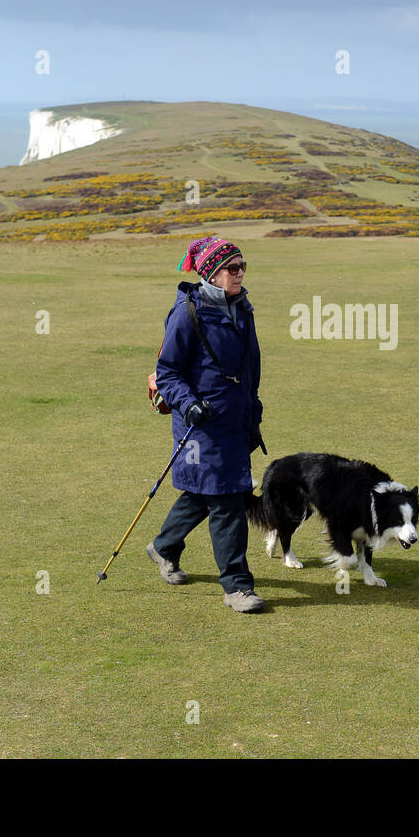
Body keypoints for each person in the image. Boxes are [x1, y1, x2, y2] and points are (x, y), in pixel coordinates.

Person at [147, 236, 267, 613]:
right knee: (229, 500)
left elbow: (249, 366)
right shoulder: (188, 312)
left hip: (236, 419)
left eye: (242, 266)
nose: (240, 273)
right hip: (200, 425)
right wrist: (189, 404)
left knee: (205, 493)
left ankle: (163, 546)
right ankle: (237, 587)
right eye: (232, 268)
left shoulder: (242, 307)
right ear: (212, 273)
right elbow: (167, 372)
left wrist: (253, 406)